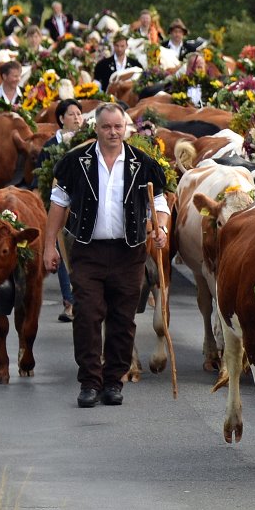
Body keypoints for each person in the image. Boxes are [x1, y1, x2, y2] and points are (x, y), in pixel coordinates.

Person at [41, 102, 172, 408]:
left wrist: (161, 228)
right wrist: (49, 246)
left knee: (122, 319)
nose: (113, 132)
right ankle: (89, 381)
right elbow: (58, 205)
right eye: (106, 127)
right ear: (96, 129)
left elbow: (160, 203)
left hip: (129, 252)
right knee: (86, 314)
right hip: (88, 251)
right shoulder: (76, 162)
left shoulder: (143, 163)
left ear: (125, 128)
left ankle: (114, 381)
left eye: (118, 127)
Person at [42, 99, 88, 322]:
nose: (77, 118)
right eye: (72, 114)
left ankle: (85, 300)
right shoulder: (51, 146)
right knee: (62, 250)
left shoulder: (88, 143)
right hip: (60, 206)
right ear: (61, 118)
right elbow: (41, 178)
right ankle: (69, 303)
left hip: (82, 206)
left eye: (80, 114)